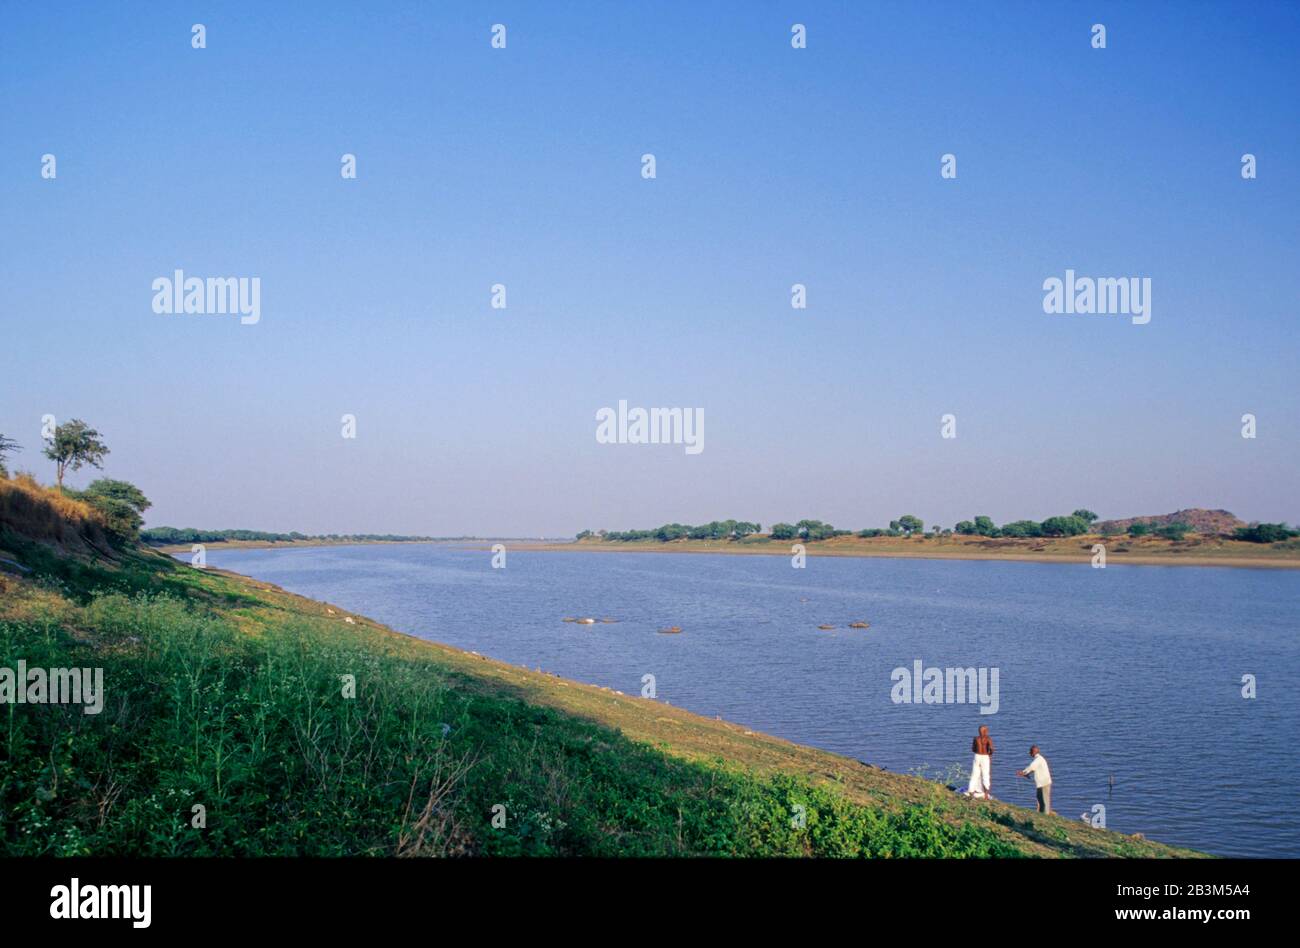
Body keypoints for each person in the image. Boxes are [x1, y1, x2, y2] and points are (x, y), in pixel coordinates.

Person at [1018, 745, 1053, 814]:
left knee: (1044, 801)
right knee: (1040, 799)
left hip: (1044, 783)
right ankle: (1041, 814)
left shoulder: (1038, 759)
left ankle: (1045, 815)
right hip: (1042, 783)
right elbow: (1033, 768)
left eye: (1030, 752)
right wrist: (1026, 774)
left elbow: (1031, 767)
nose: (1029, 753)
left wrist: (1023, 772)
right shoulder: (1039, 759)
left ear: (1033, 752)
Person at [966, 725, 994, 799]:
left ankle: (971, 792)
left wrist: (978, 751)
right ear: (986, 731)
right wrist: (990, 755)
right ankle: (986, 795)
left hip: (977, 756)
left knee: (974, 774)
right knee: (985, 775)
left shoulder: (976, 738)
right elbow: (991, 749)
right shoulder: (988, 739)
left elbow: (973, 749)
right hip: (985, 757)